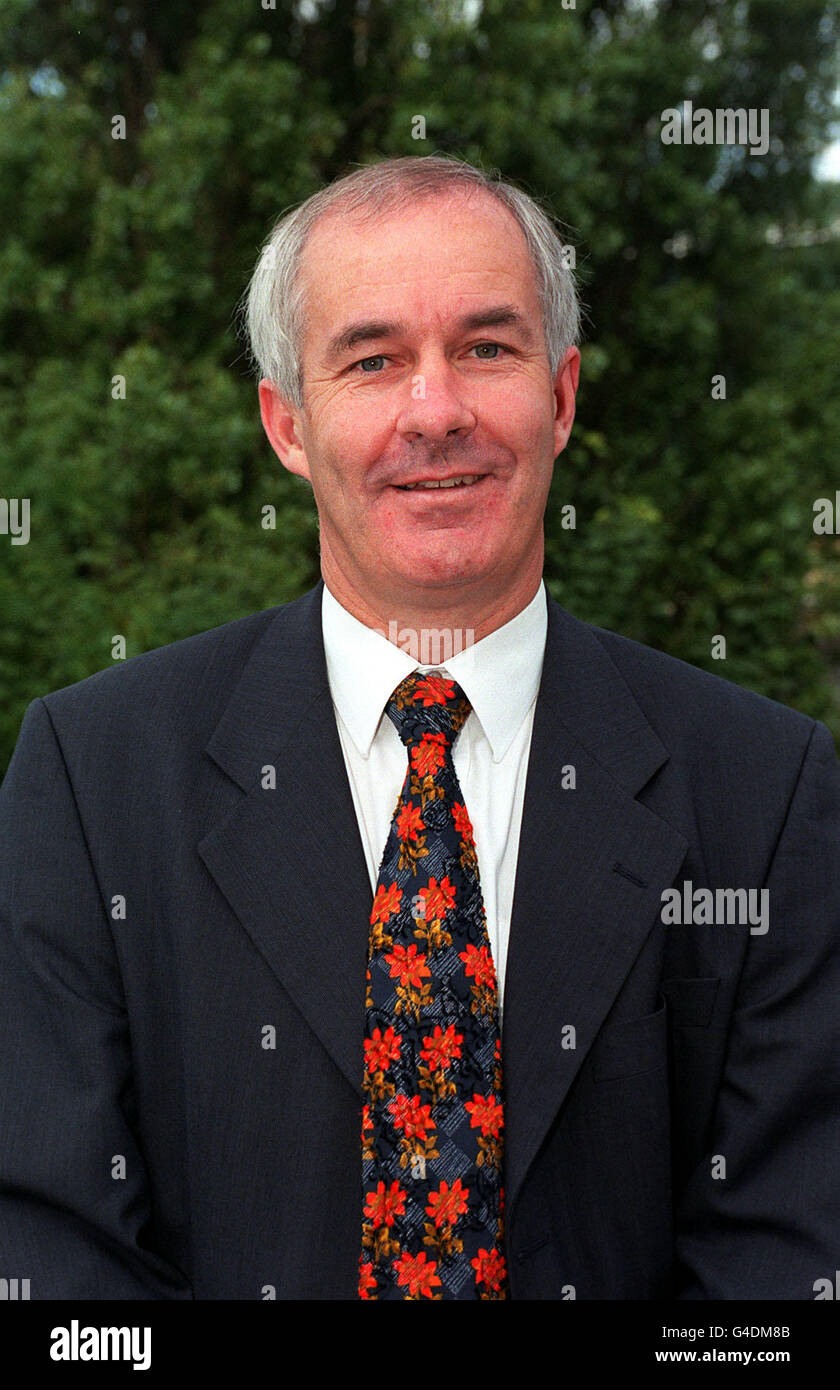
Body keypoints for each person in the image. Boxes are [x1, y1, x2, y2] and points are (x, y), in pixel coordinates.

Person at [1, 154, 838, 1301]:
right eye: (374, 358)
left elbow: (781, 1271)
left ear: (561, 395)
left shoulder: (768, 788)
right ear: (287, 422)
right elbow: (53, 1263)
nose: (435, 410)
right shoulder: (92, 781)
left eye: (488, 348)